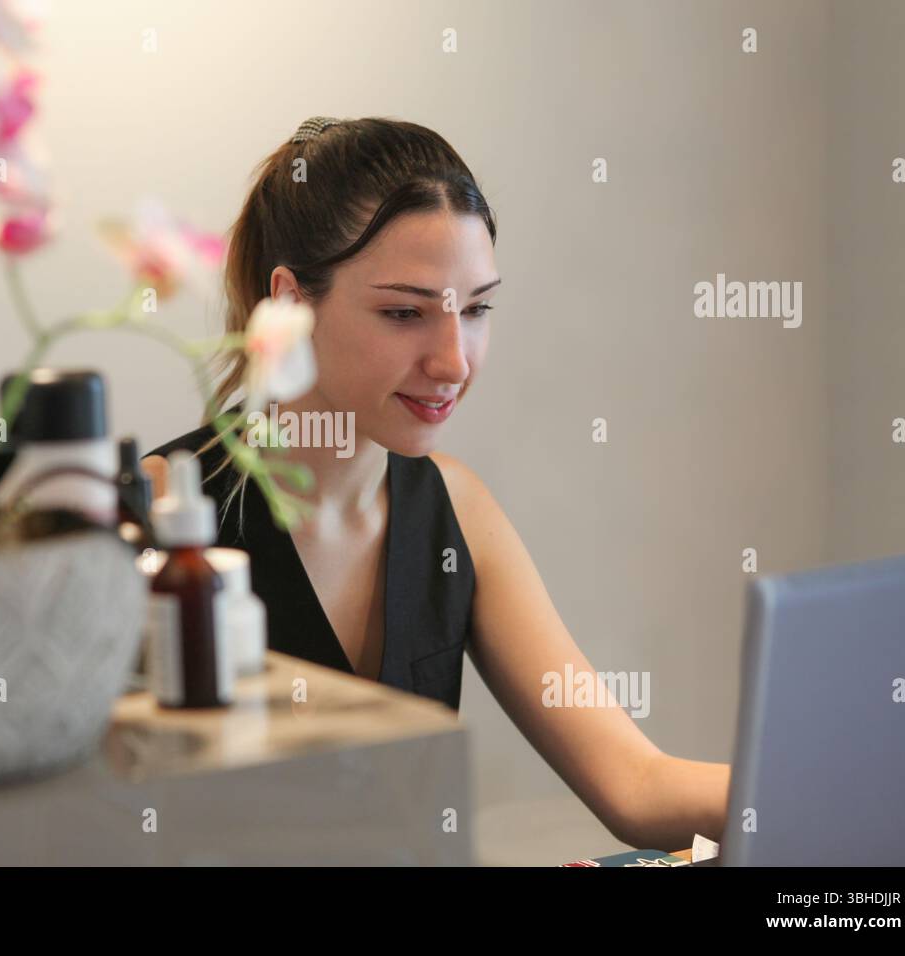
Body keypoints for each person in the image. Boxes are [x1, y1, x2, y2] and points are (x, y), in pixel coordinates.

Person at [143, 116, 729, 850]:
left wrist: (825, 788)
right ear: (290, 303)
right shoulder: (158, 515)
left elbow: (636, 784)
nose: (454, 361)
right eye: (404, 313)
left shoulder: (457, 510)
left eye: (477, 308)